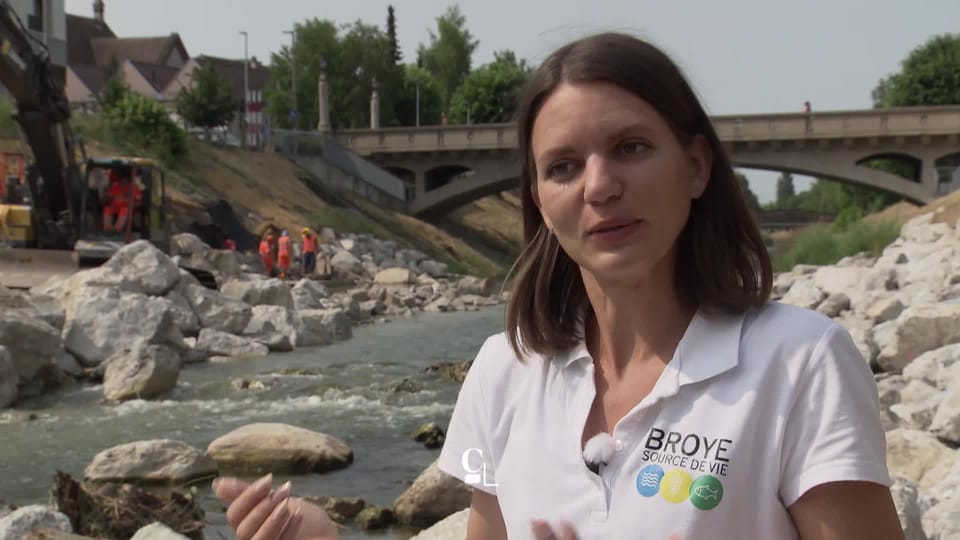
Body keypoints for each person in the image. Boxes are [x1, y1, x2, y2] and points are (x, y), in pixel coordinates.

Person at [213, 32, 902, 540]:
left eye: (631, 147)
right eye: (565, 166)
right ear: (540, 198)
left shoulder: (803, 363)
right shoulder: (501, 373)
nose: (600, 186)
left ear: (695, 167)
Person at [102, 168, 141, 233]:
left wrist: (132, 205)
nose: (123, 181)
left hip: (127, 208)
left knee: (124, 210)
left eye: (125, 179)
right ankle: (107, 228)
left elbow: (139, 202)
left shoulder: (134, 188)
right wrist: (106, 197)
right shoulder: (114, 186)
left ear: (128, 179)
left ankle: (117, 229)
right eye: (121, 179)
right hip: (114, 207)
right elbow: (108, 198)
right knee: (107, 209)